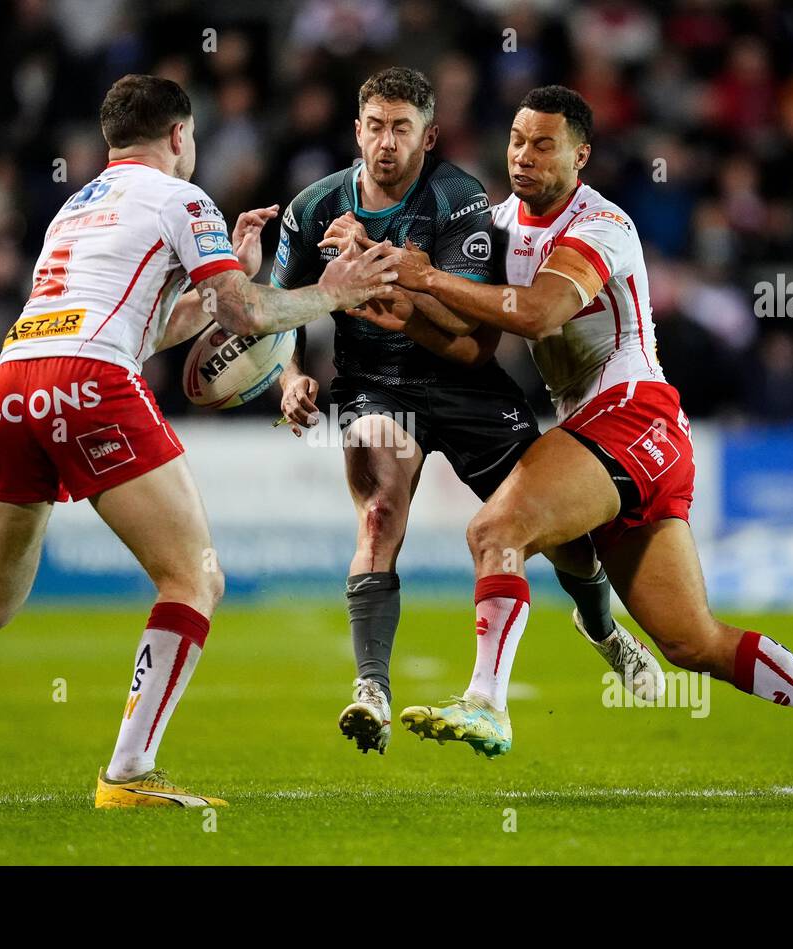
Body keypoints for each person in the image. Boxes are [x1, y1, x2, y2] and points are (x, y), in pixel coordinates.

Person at [0, 74, 398, 810]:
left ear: (110, 141)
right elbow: (244, 318)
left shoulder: (74, 208)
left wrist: (231, 280)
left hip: (13, 383)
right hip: (89, 384)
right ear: (181, 136)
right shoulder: (184, 199)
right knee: (195, 580)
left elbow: (145, 328)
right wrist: (334, 292)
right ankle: (127, 775)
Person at [374, 86, 793, 791]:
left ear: (581, 155)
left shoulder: (603, 225)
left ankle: (488, 702)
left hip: (631, 413)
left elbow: (536, 316)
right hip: (626, 437)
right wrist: (400, 308)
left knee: (495, 530)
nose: (523, 156)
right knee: (692, 642)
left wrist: (429, 277)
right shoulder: (497, 226)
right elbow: (475, 346)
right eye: (516, 139)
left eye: (544, 144)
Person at [272, 67, 660, 757]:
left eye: (401, 128)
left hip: (465, 383)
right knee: (380, 508)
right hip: (373, 384)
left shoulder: (461, 202)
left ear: (429, 136)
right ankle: (371, 690)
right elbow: (280, 312)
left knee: (560, 539)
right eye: (374, 126)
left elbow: (472, 344)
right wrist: (291, 376)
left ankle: (600, 626)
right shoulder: (310, 208)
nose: (386, 143)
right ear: (355, 130)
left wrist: (388, 276)